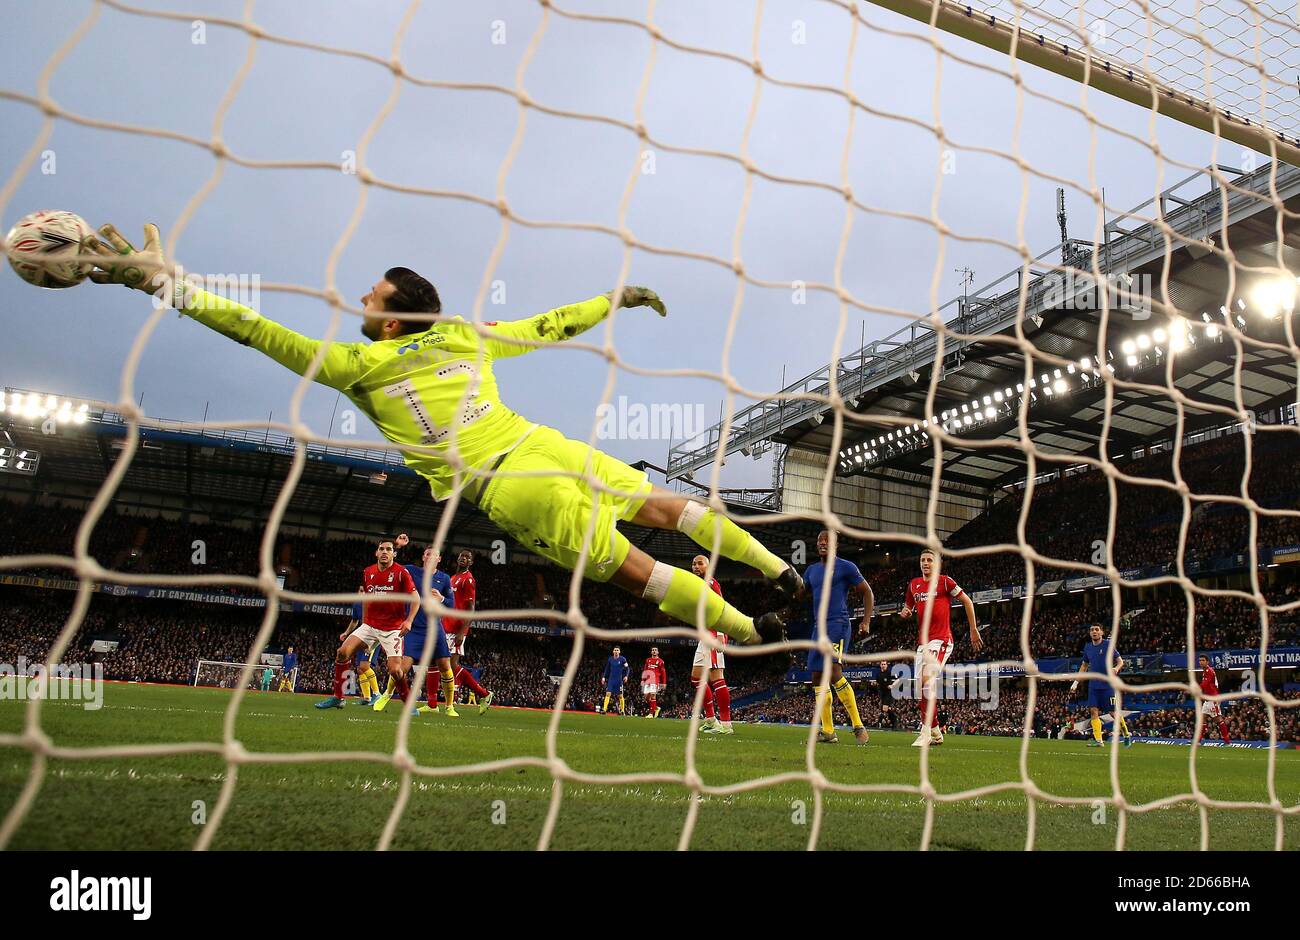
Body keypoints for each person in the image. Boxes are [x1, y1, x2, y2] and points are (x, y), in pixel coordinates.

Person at [83, 224, 800, 650]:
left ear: (392, 320)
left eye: (372, 296)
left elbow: (255, 329)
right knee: (666, 507)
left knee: (640, 570)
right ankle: (779, 571)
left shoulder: (357, 365)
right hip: (545, 443)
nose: (361, 301)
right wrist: (615, 299)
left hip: (515, 487)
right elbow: (546, 327)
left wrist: (165, 286)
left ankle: (748, 633)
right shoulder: (465, 335)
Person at [315, 537, 419, 710]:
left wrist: (409, 621)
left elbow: (416, 598)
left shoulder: (401, 572)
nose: (385, 552)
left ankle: (408, 704)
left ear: (394, 553)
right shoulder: (367, 572)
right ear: (376, 553)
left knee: (395, 670)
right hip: (369, 626)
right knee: (342, 653)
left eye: (388, 549)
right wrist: (364, 630)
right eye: (381, 549)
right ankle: (338, 697)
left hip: (392, 628)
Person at [900, 548, 981, 747]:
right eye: (923, 560)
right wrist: (906, 611)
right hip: (923, 643)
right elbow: (908, 606)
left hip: (941, 640)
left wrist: (973, 629)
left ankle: (926, 732)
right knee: (920, 688)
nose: (925, 563)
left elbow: (967, 601)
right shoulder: (914, 585)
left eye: (929, 560)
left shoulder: (945, 581)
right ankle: (936, 732)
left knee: (926, 682)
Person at [798, 532, 874, 745]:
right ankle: (828, 731)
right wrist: (784, 581)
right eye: (820, 541)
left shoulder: (846, 567)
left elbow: (867, 592)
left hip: (838, 624)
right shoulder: (811, 571)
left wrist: (866, 621)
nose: (822, 543)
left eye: (827, 541)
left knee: (833, 672)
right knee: (816, 676)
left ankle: (858, 726)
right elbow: (800, 595)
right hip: (818, 628)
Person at [686, 556, 731, 734]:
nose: (695, 566)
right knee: (696, 677)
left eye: (700, 563)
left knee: (716, 677)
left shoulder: (711, 583)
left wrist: (720, 634)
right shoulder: (699, 585)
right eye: (693, 563)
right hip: (705, 635)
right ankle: (711, 719)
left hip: (714, 634)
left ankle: (726, 724)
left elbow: (721, 607)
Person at [1069, 624, 1132, 747]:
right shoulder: (1088, 648)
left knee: (1113, 713)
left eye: (1097, 630)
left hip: (1108, 684)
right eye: (1092, 630)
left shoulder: (1108, 645)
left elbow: (1120, 661)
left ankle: (1126, 734)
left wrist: (1116, 668)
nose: (1094, 632)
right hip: (1093, 685)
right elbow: (1084, 666)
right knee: (1093, 711)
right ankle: (1099, 740)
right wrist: (1075, 682)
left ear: (1102, 632)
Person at [444, 550, 491, 705]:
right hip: (446, 625)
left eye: (467, 557)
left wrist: (461, 632)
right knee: (440, 663)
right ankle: (436, 703)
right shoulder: (453, 578)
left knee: (451, 665)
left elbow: (471, 610)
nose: (463, 558)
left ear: (471, 562)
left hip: (457, 629)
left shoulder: (468, 580)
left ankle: (483, 694)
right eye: (461, 556)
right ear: (457, 559)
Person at [1196, 654, 1231, 745]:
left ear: (1207, 662)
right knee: (1202, 719)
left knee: (1218, 720)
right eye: (1200, 660)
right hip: (1207, 699)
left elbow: (1205, 683)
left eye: (1203, 660)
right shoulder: (1205, 671)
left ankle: (1227, 742)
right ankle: (1198, 741)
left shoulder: (1209, 671)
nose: (1201, 662)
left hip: (1213, 699)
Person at [601, 646, 630, 715]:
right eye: (615, 650)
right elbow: (607, 669)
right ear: (613, 651)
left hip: (619, 681)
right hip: (611, 680)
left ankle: (622, 711)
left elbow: (627, 668)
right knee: (608, 694)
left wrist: (626, 676)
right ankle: (604, 710)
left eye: (617, 650)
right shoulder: (610, 659)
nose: (616, 651)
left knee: (620, 696)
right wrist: (604, 677)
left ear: (619, 652)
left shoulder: (623, 659)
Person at [642, 646, 667, 719]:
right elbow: (645, 670)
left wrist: (664, 683)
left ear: (658, 652)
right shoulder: (648, 660)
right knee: (646, 698)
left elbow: (663, 673)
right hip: (647, 680)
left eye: (655, 650)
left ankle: (651, 714)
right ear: (651, 652)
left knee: (653, 695)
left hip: (655, 680)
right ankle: (656, 708)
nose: (654, 651)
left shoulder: (660, 661)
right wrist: (643, 680)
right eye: (653, 650)